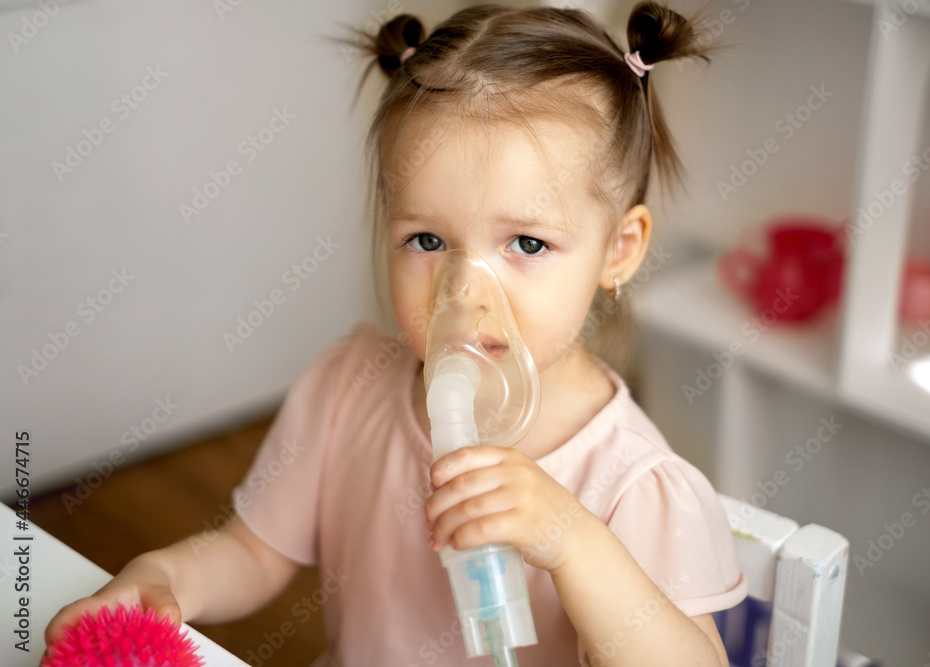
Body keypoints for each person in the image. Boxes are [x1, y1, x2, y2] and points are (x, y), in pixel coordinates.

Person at [44, 3, 747, 665]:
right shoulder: (349, 390)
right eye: (428, 238)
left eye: (527, 244)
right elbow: (253, 554)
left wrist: (570, 539)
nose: (464, 290)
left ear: (619, 250)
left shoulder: (631, 484)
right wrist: (165, 578)